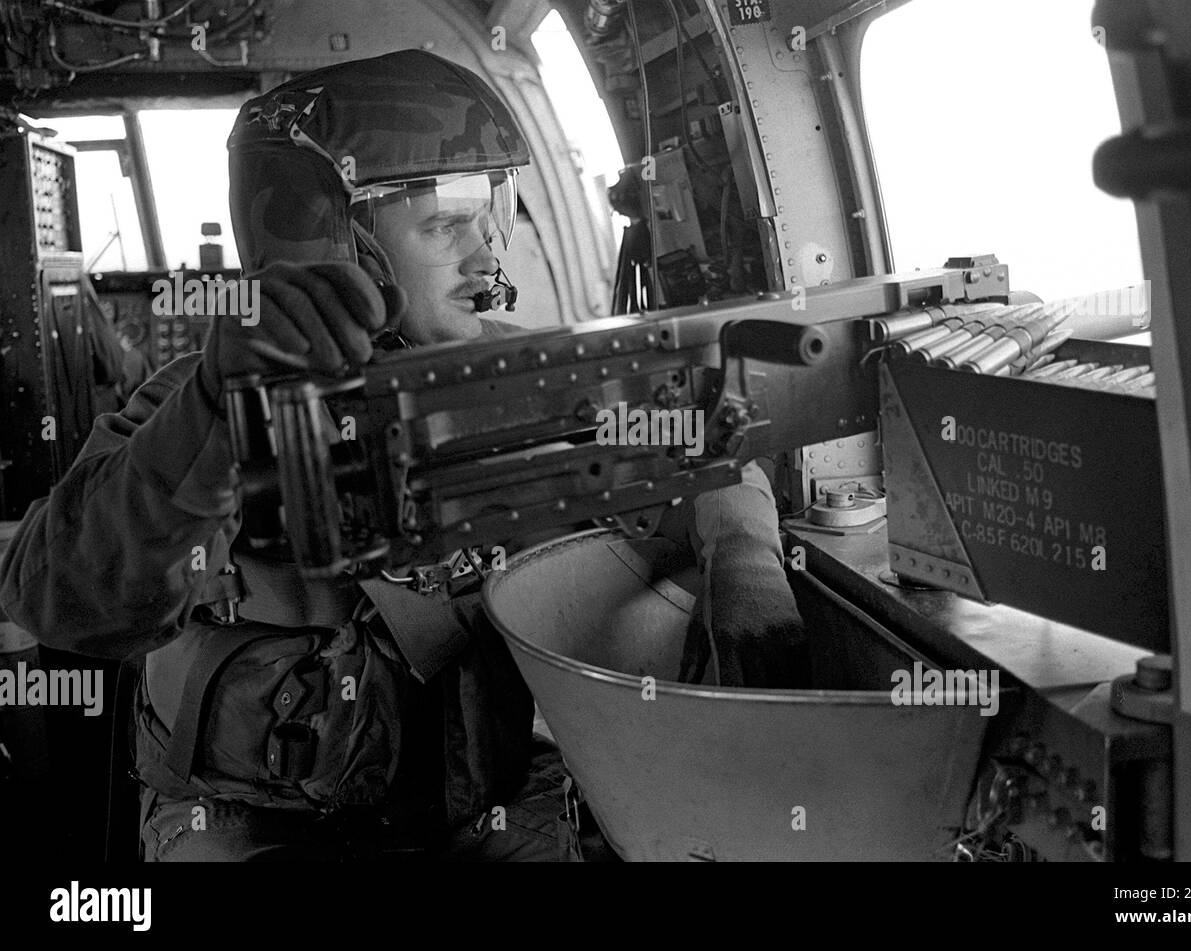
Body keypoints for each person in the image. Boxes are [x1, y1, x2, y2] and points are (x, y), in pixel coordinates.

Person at [0, 48, 809, 862]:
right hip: (257, 825)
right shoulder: (198, 402)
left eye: (495, 212)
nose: (488, 257)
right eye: (445, 224)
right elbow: (59, 592)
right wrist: (216, 410)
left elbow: (705, 451)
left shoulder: (530, 376)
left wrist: (744, 553)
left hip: (482, 806)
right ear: (334, 239)